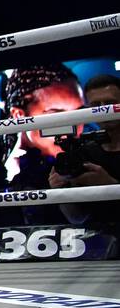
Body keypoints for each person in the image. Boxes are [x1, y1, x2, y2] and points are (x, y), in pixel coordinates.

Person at [49, 73, 120, 228]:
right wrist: (62, 192)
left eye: (109, 103)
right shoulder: (85, 152)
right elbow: (77, 218)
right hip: (101, 244)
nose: (103, 110)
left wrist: (111, 186)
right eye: (96, 106)